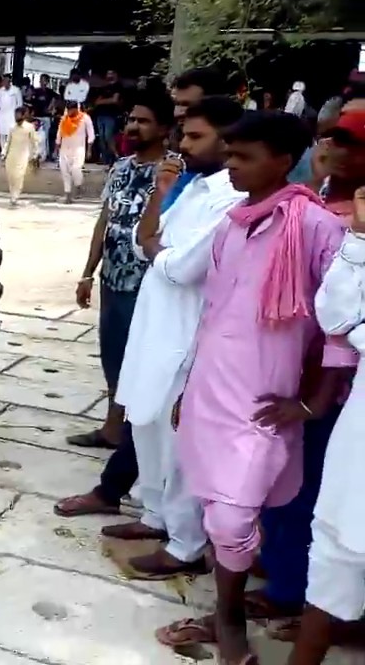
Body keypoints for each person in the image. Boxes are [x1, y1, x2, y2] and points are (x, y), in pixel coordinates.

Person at [153, 111, 351, 665]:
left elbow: (338, 322)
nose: (232, 166)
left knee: (237, 516)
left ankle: (229, 617)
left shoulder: (317, 227)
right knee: (219, 509)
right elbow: (213, 313)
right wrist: (189, 385)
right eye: (230, 155)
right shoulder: (234, 222)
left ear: (283, 161)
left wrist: (312, 399)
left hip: (264, 401)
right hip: (213, 389)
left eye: (244, 157)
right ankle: (224, 610)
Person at [104, 97, 246, 581]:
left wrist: (156, 251)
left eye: (194, 136)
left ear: (227, 140)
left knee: (176, 434)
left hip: (188, 328)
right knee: (144, 419)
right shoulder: (193, 186)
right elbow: (149, 238)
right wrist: (161, 192)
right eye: (183, 135)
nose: (182, 145)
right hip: (155, 318)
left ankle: (185, 543)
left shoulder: (232, 199)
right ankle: (155, 517)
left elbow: (185, 267)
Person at [54, 90, 174, 506]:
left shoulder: (171, 173)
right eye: (130, 120)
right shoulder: (121, 168)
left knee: (138, 362)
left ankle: (134, 442)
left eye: (142, 121)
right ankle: (111, 427)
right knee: (111, 355)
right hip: (113, 277)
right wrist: (88, 272)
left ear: (163, 128)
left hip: (148, 281)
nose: (132, 127)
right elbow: (105, 221)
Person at [288, 109, 365, 665]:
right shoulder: (342, 220)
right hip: (350, 411)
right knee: (336, 534)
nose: (332, 149)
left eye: (347, 142)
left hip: (337, 389)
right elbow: (334, 316)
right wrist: (358, 241)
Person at [56, 101, 94, 204]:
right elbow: (59, 133)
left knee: (76, 169)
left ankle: (78, 186)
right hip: (64, 149)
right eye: (68, 110)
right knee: (65, 172)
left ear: (76, 109)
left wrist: (89, 150)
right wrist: (57, 146)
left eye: (71, 109)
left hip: (79, 148)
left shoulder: (85, 118)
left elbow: (91, 134)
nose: (69, 112)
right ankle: (68, 195)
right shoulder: (64, 119)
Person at [3, 107, 39, 207]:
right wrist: (3, 153)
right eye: (15, 114)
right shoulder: (12, 127)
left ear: (23, 115)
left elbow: (34, 141)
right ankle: (12, 194)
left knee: (19, 176)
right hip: (11, 155)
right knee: (11, 176)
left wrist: (35, 154)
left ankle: (15, 196)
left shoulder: (29, 127)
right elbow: (8, 142)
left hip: (23, 155)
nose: (16, 116)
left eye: (18, 114)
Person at [91, 71, 123, 166]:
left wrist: (103, 101)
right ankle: (105, 160)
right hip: (100, 115)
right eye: (107, 73)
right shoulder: (104, 88)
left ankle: (115, 158)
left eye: (111, 73)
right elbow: (97, 102)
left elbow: (115, 100)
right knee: (101, 137)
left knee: (109, 136)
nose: (109, 75)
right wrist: (106, 101)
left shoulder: (118, 86)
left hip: (111, 115)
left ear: (115, 75)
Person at [30, 74, 60, 161]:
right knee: (35, 136)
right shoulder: (36, 91)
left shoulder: (50, 92)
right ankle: (36, 153)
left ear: (47, 82)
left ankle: (45, 154)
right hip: (36, 116)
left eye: (43, 80)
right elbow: (32, 101)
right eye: (41, 80)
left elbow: (58, 98)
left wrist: (52, 107)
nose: (42, 82)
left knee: (45, 136)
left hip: (46, 117)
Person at [0, 74, 22, 158]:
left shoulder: (16, 90)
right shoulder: (0, 91)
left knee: (12, 135)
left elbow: (20, 104)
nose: (4, 82)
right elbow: (0, 103)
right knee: (2, 135)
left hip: (12, 116)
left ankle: (11, 153)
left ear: (10, 81)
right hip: (2, 115)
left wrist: (18, 116)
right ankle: (3, 153)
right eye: (3, 81)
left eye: (6, 80)